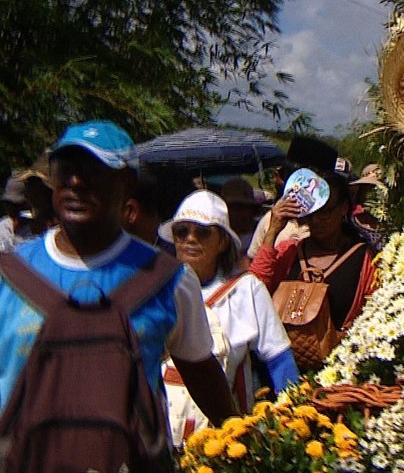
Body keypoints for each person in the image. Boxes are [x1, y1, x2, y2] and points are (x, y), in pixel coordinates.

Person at [0, 121, 237, 433]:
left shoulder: (169, 281)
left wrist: (247, 444)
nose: (75, 182)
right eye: (64, 169)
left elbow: (202, 375)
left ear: (127, 183)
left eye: (92, 170)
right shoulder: (10, 274)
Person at [160, 190, 298, 445]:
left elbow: (280, 362)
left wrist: (293, 429)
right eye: (182, 232)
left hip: (225, 447)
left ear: (223, 242)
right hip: (165, 445)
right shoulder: (158, 290)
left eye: (202, 232)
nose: (190, 239)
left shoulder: (248, 290)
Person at [250, 169, 376, 334]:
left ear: (344, 208)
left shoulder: (366, 259)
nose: (316, 220)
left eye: (324, 212)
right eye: (311, 213)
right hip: (290, 355)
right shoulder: (289, 252)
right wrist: (273, 230)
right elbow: (255, 291)